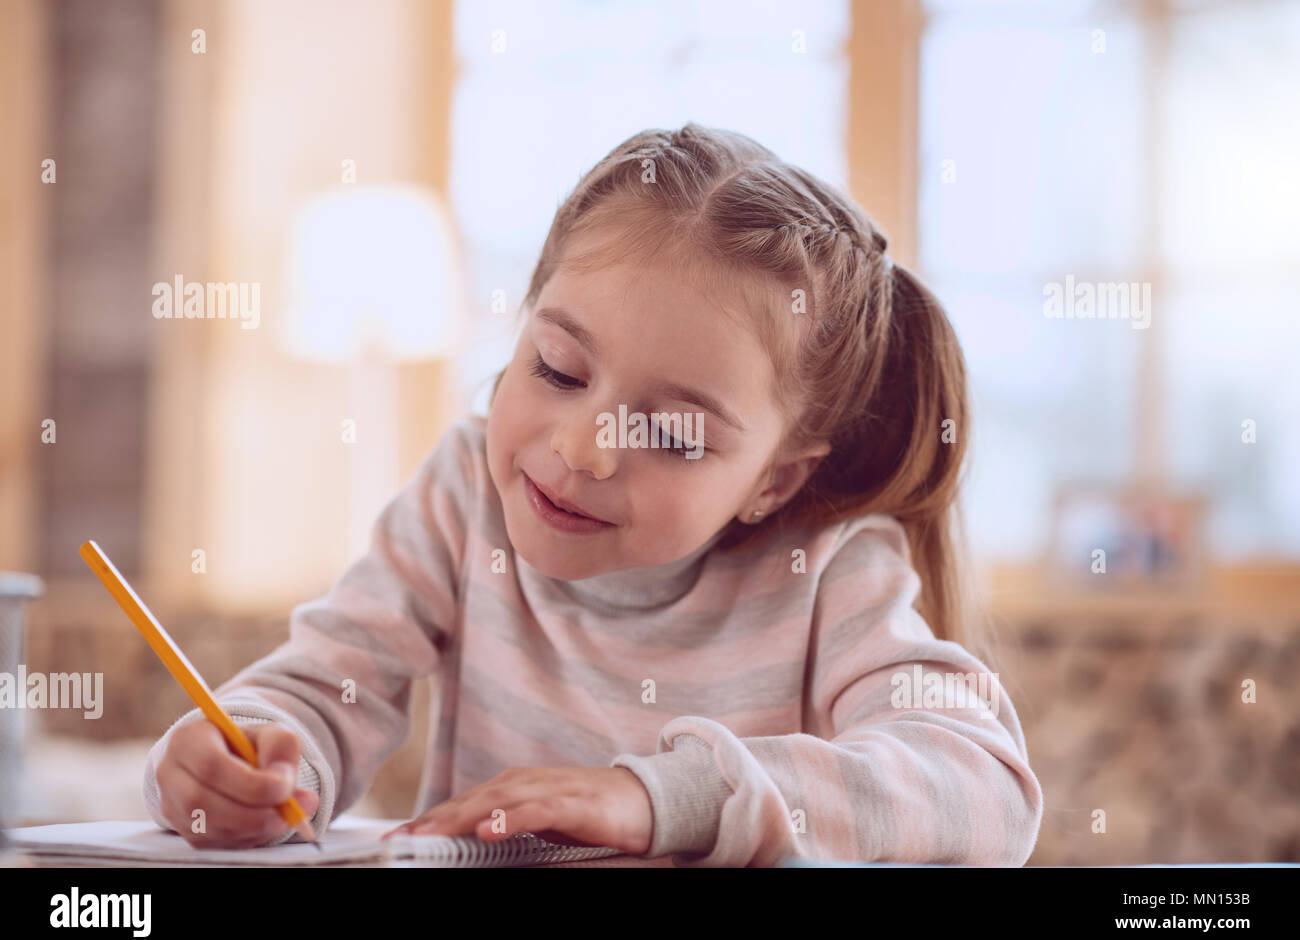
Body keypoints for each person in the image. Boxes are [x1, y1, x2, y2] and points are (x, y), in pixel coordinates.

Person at [144, 123, 1043, 867]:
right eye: (558, 369)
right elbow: (325, 687)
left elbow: (982, 786)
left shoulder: (833, 567)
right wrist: (244, 754)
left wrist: (659, 797)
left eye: (670, 434)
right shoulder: (465, 495)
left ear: (776, 478)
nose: (582, 448)